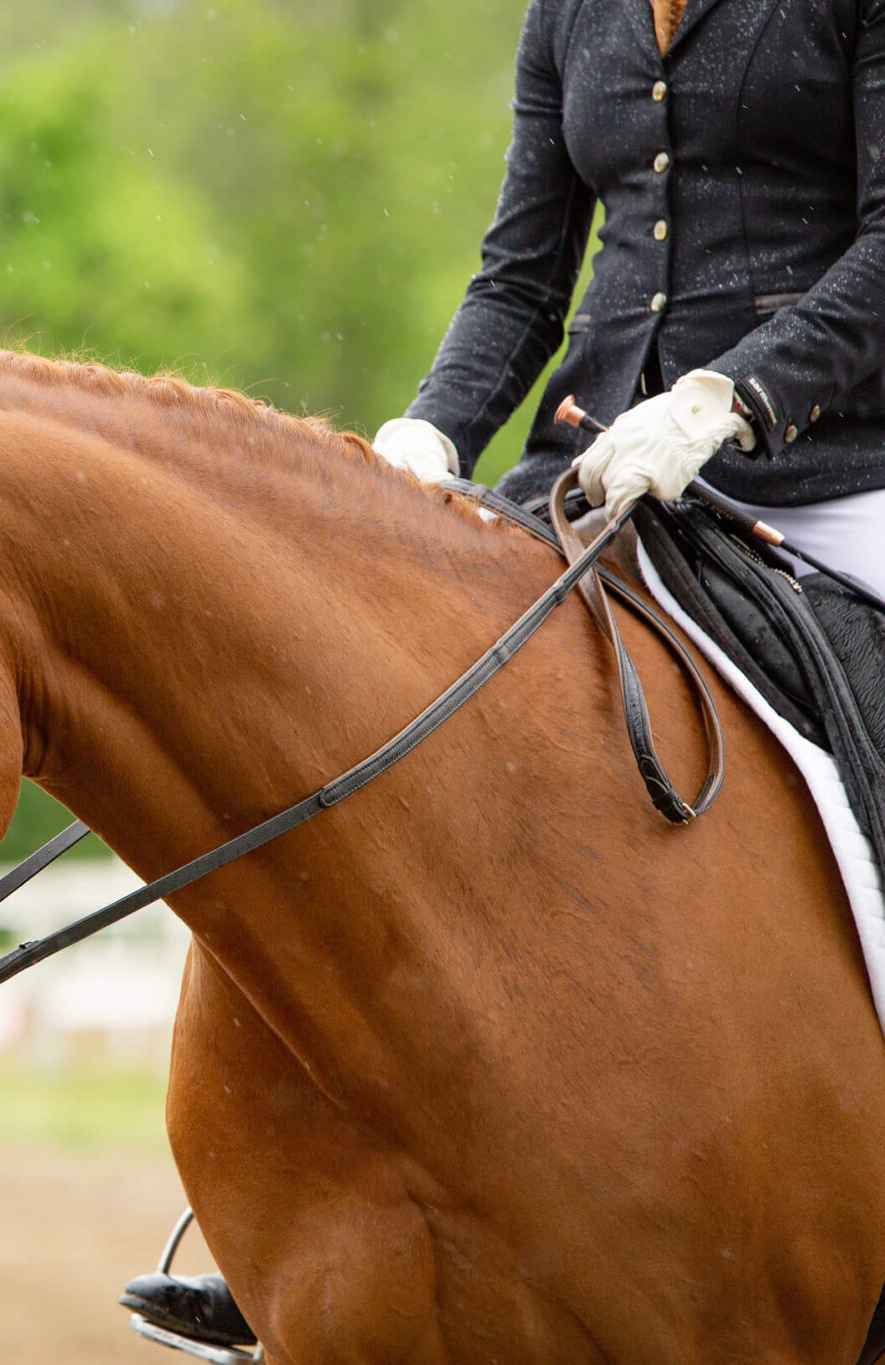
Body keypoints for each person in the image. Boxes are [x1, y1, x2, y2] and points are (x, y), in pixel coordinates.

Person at [124, 0, 885, 1347]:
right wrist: (425, 435)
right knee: (381, 729)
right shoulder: (572, 10)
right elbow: (525, 271)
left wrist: (732, 399)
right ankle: (298, 1209)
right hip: (598, 467)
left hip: (833, 476)